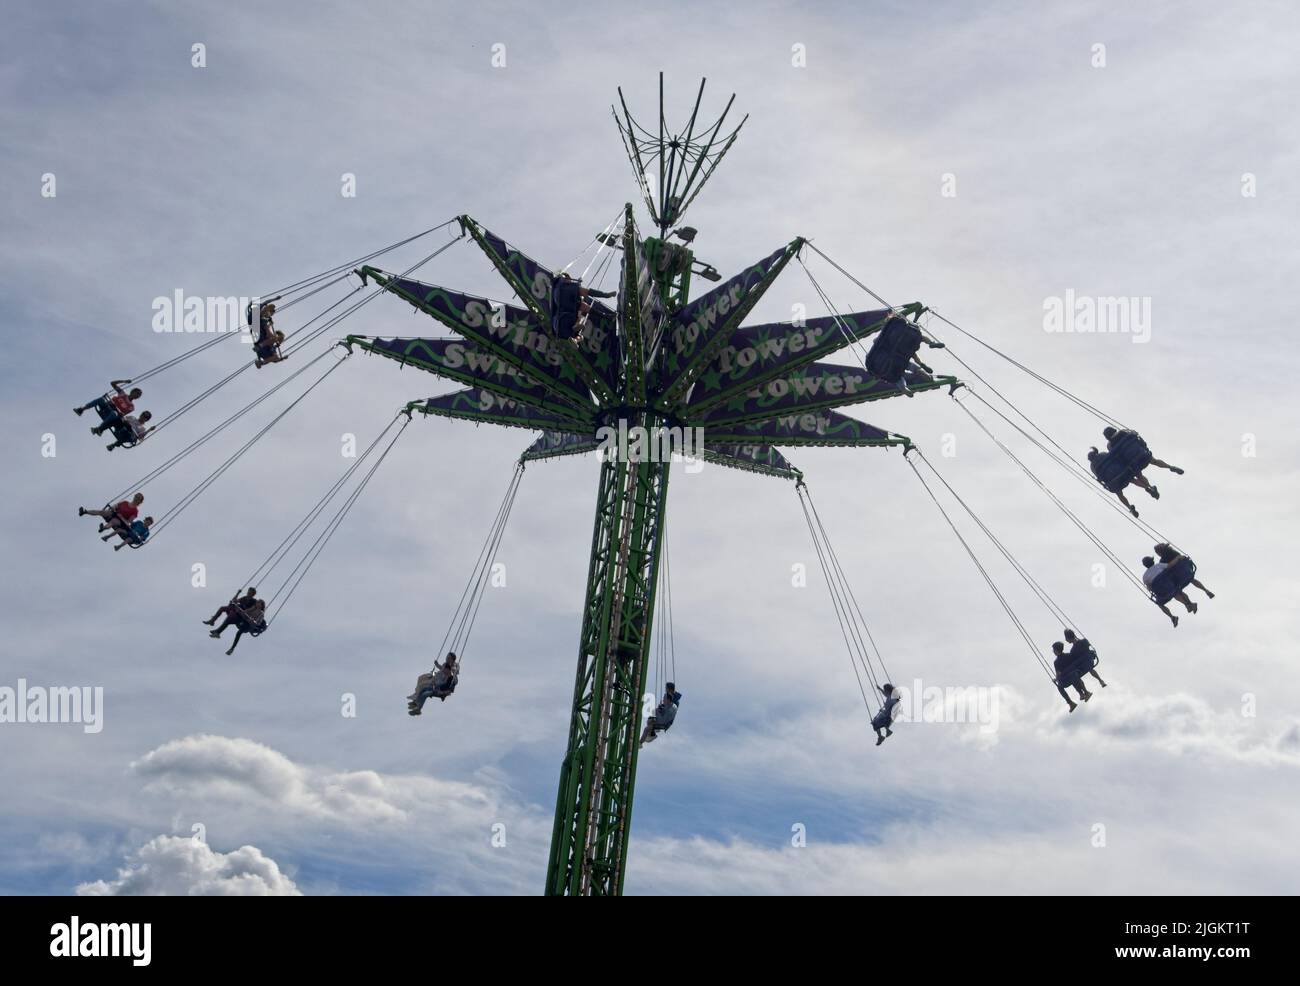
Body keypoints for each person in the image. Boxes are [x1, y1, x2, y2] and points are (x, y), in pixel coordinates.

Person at [1086, 446, 1157, 516]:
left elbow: (1099, 478)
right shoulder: (1102, 454)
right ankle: (1147, 487)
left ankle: (1129, 507)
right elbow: (1114, 457)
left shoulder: (1092, 466)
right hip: (1122, 471)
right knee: (1133, 480)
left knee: (1119, 494)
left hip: (1113, 481)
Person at [205, 587, 266, 655]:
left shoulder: (260, 612)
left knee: (239, 633)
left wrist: (252, 620)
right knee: (228, 617)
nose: (257, 603)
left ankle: (232, 648)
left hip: (248, 625)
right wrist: (241, 609)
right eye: (248, 591)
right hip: (243, 620)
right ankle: (217, 631)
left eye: (259, 603)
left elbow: (258, 621)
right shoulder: (251, 606)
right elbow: (245, 610)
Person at [1142, 555, 1196, 627]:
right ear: (1152, 561)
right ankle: (1188, 604)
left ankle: (1172, 617)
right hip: (1171, 587)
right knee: (1176, 592)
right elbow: (1170, 565)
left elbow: (1149, 588)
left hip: (1162, 593)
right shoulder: (1159, 566)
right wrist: (1178, 558)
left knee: (1160, 604)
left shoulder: (1145, 576)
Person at [1104, 427, 1183, 474]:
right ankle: (1170, 467)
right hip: (1142, 454)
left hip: (1134, 462)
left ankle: (1148, 487)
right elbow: (1137, 436)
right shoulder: (1124, 432)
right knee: (1154, 461)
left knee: (1137, 474)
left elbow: (1115, 456)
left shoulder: (1111, 445)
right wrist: (1144, 447)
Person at [76, 381, 143, 430]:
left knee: (114, 413)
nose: (137, 396)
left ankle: (100, 428)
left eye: (139, 395)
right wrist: (124, 381)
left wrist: (119, 413)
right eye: (137, 393)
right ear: (132, 392)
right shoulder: (122, 393)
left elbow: (122, 415)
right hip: (107, 407)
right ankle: (81, 409)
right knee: (101, 399)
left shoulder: (131, 407)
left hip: (112, 414)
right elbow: (112, 383)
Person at [79, 494, 144, 538]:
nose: (136, 498)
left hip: (120, 521)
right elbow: (116, 505)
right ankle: (85, 512)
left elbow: (129, 522)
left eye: (138, 498)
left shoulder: (135, 511)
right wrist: (113, 507)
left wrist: (121, 517)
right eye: (136, 496)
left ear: (139, 502)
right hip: (114, 513)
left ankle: (103, 528)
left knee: (113, 522)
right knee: (101, 512)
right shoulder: (125, 502)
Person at [1052, 641, 1092, 711]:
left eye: (1053, 650)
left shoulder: (1056, 662)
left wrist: (1055, 679)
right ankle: (1085, 692)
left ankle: (1071, 703)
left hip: (1069, 678)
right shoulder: (1069, 655)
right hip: (1075, 674)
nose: (1053, 651)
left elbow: (1058, 674)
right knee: (1074, 675)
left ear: (1056, 651)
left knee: (1060, 686)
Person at [248, 300, 286, 368]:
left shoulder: (273, 348)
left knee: (276, 357)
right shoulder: (263, 320)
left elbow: (275, 360)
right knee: (272, 338)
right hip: (260, 338)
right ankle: (260, 347)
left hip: (263, 349)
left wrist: (281, 359)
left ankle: (261, 362)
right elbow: (269, 334)